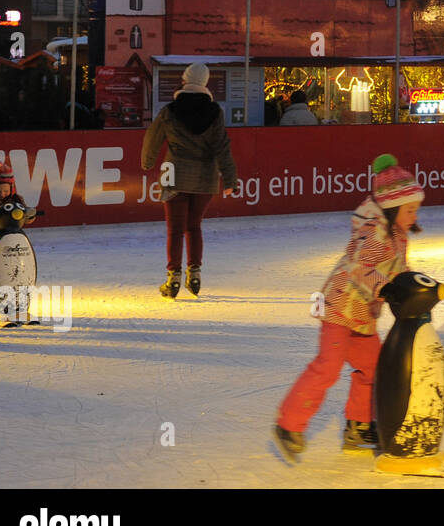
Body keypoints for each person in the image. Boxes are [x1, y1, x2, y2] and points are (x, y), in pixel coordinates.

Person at [274, 155, 424, 462]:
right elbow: (358, 267)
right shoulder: (374, 231)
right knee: (328, 366)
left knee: (376, 369)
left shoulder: (398, 235)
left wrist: (412, 289)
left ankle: (358, 426)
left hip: (362, 316)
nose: (414, 215)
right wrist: (387, 288)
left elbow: (399, 270)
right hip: (340, 307)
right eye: (409, 209)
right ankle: (288, 425)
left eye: (416, 209)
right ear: (393, 206)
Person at [140, 62, 238, 299]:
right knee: (194, 226)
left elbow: (152, 139)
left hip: (174, 174)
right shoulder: (215, 112)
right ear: (204, 83)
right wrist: (229, 179)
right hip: (205, 177)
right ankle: (194, 274)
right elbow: (222, 147)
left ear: (184, 80)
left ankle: (173, 277)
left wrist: (147, 162)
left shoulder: (170, 110)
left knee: (174, 229)